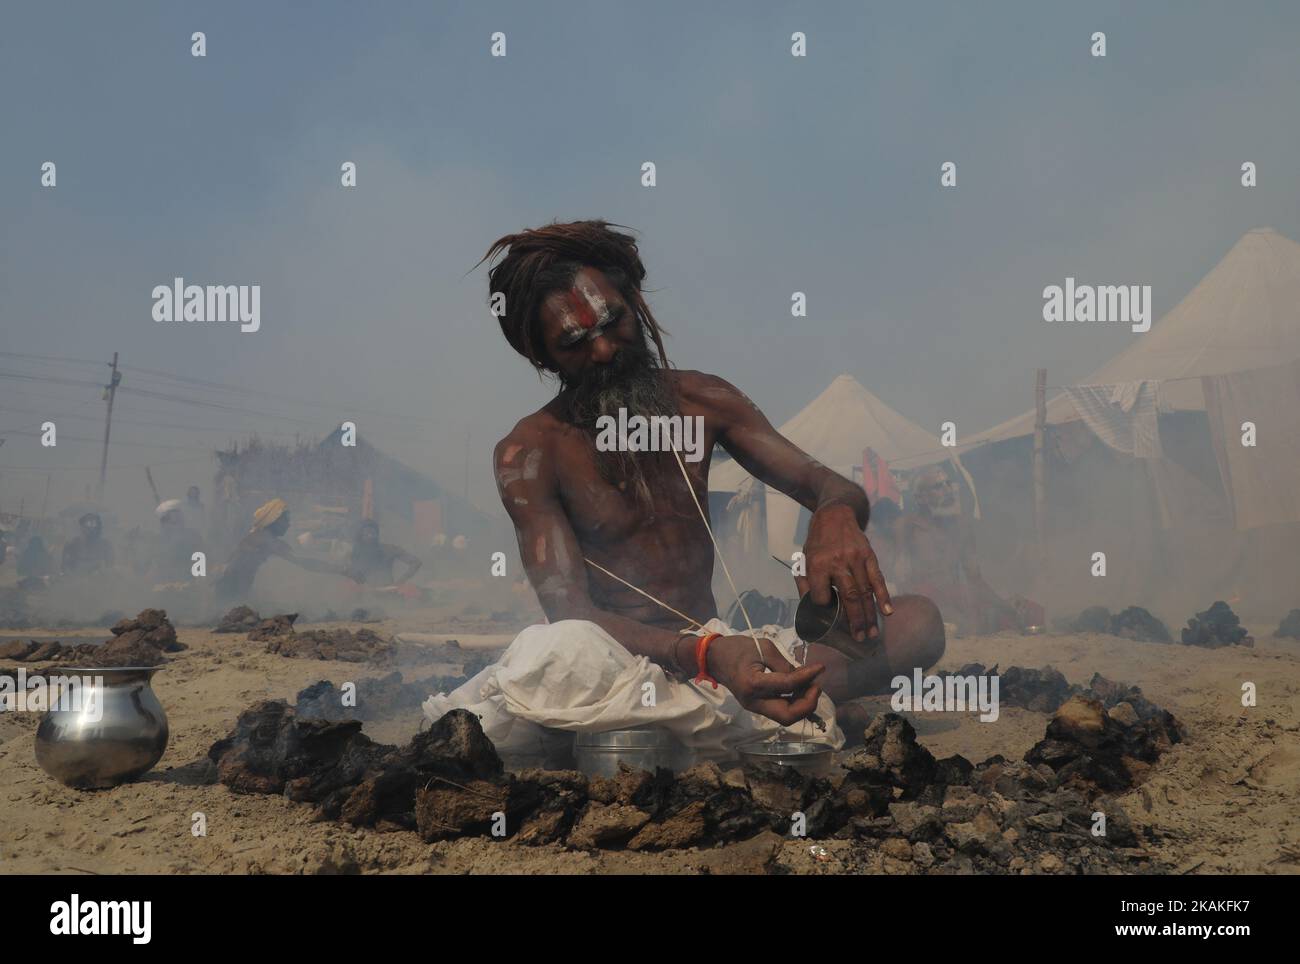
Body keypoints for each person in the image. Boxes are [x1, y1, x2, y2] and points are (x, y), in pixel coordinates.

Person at [424, 220, 945, 759]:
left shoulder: (705, 401)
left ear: (634, 302)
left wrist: (834, 516)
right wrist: (702, 654)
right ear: (543, 358)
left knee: (918, 623)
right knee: (551, 654)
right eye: (575, 343)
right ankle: (763, 709)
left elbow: (827, 484)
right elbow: (571, 612)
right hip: (616, 664)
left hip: (726, 655)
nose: (603, 350)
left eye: (614, 322)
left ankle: (739, 705)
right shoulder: (529, 452)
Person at [897, 467, 1018, 635]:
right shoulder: (908, 527)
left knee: (1029, 613)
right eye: (938, 487)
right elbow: (902, 582)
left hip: (958, 599)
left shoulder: (962, 528)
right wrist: (947, 614)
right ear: (920, 498)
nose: (948, 491)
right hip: (924, 603)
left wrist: (1004, 606)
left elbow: (975, 579)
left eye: (948, 484)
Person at [213, 498, 344, 606]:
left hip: (228, 590)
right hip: (231, 592)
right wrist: (343, 570)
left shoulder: (256, 536)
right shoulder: (265, 539)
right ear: (274, 519)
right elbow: (304, 562)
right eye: (285, 520)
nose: (288, 524)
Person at [345, 519, 422, 586]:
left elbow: (416, 562)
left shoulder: (388, 549)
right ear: (360, 536)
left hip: (386, 593)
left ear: (377, 534)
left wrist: (400, 582)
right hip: (364, 595)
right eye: (367, 533)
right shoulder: (354, 552)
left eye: (372, 532)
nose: (370, 535)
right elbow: (347, 571)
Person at [151, 499, 203, 584]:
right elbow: (156, 568)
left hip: (190, 584)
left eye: (176, 520)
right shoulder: (158, 542)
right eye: (169, 521)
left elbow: (201, 566)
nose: (174, 524)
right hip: (165, 586)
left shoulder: (194, 537)